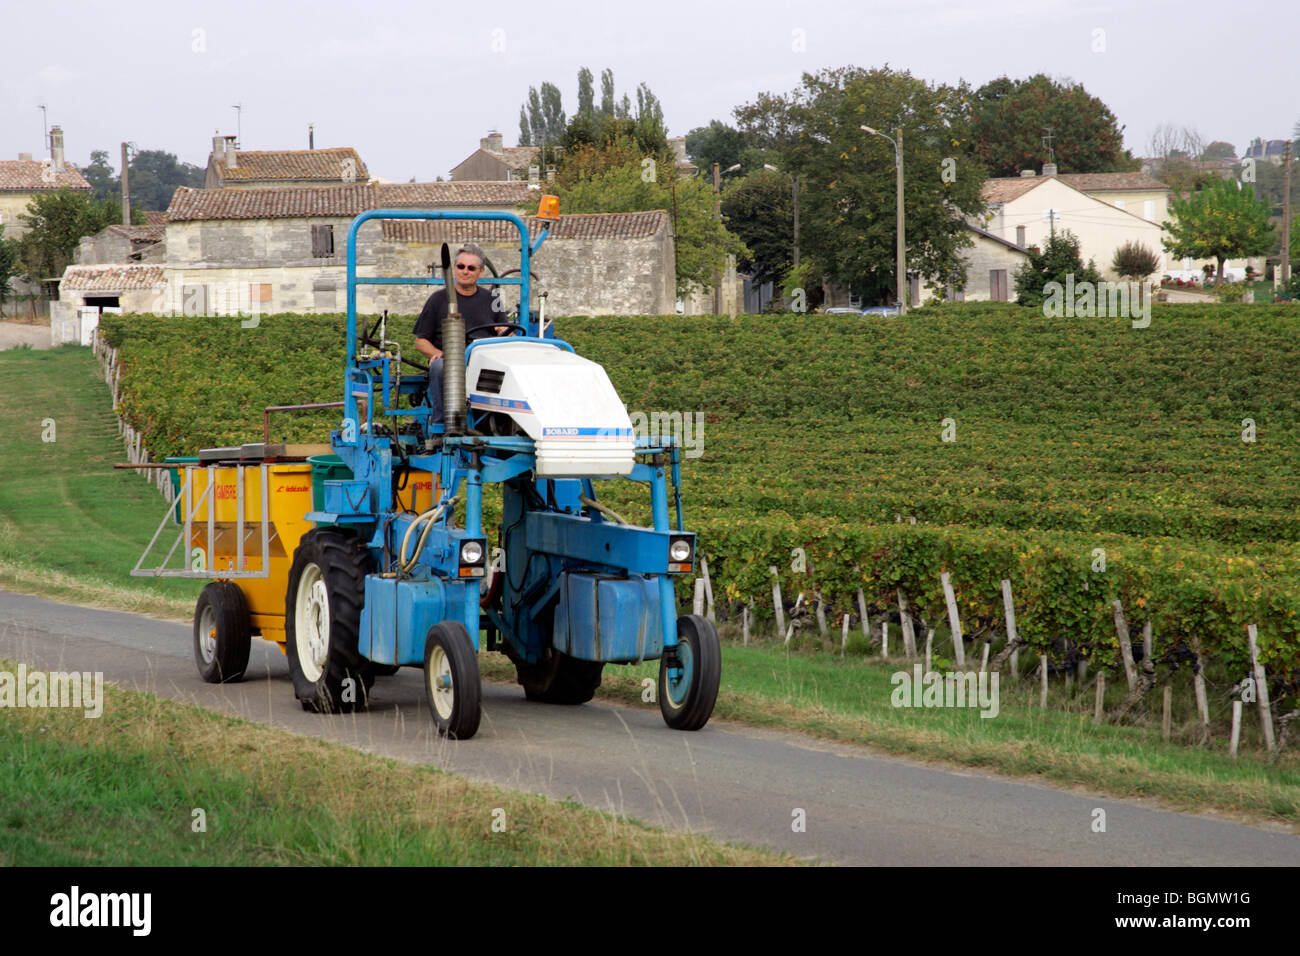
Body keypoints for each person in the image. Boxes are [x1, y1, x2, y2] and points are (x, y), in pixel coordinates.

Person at [413, 244, 509, 423]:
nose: (465, 271)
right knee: (439, 367)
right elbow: (421, 341)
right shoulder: (438, 300)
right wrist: (438, 354)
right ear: (454, 270)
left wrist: (504, 332)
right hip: (452, 361)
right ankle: (443, 424)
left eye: (471, 268)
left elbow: (507, 333)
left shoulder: (491, 300)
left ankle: (501, 425)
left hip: (484, 361)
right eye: (461, 267)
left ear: (480, 272)